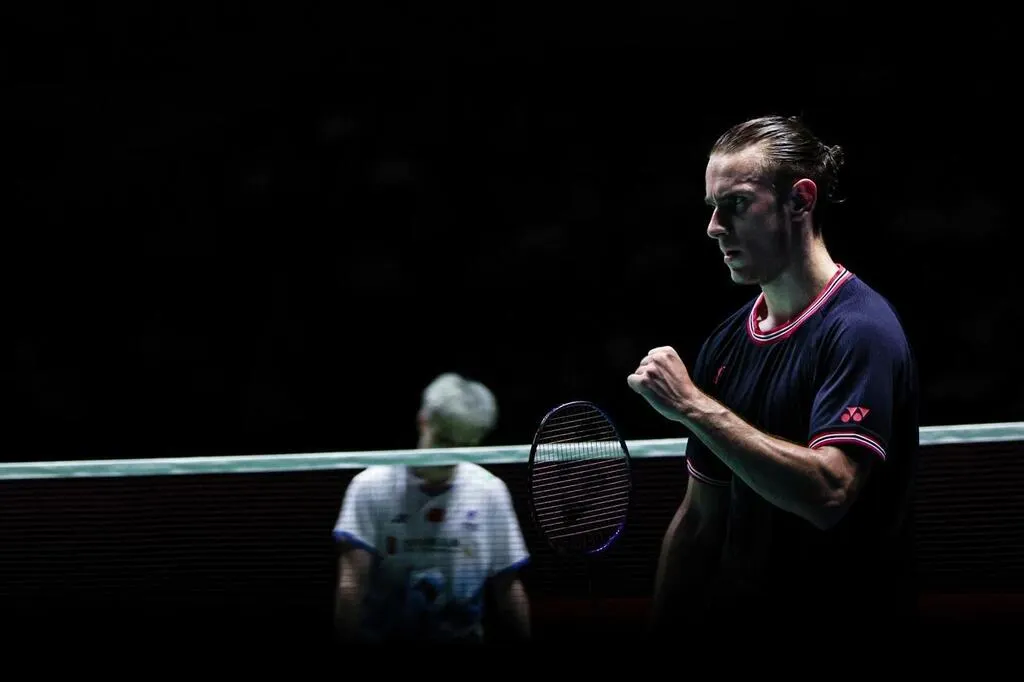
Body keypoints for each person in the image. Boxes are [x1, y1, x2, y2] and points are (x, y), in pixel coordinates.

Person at [627, 115, 920, 633]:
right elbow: (700, 521)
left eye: (735, 204)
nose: (714, 227)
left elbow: (830, 492)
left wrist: (693, 407)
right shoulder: (726, 343)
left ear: (801, 201)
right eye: (712, 209)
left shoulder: (860, 331)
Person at [332, 372, 531, 645]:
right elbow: (352, 586)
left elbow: (508, 590)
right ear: (423, 420)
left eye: (463, 446)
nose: (451, 455)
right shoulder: (370, 487)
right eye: (444, 440)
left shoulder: (490, 492)